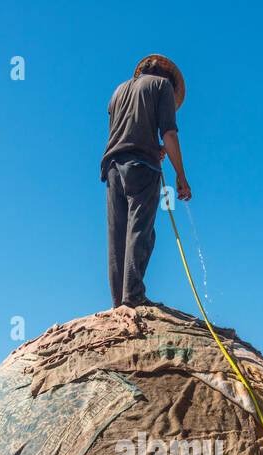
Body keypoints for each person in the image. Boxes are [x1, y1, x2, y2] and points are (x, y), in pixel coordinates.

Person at [100, 53, 191, 308]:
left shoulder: (118, 91)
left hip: (113, 166)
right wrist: (180, 176)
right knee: (140, 231)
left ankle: (119, 303)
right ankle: (134, 296)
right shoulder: (161, 86)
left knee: (117, 235)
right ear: (168, 79)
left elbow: (124, 130)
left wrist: (153, 147)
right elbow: (169, 133)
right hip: (141, 167)